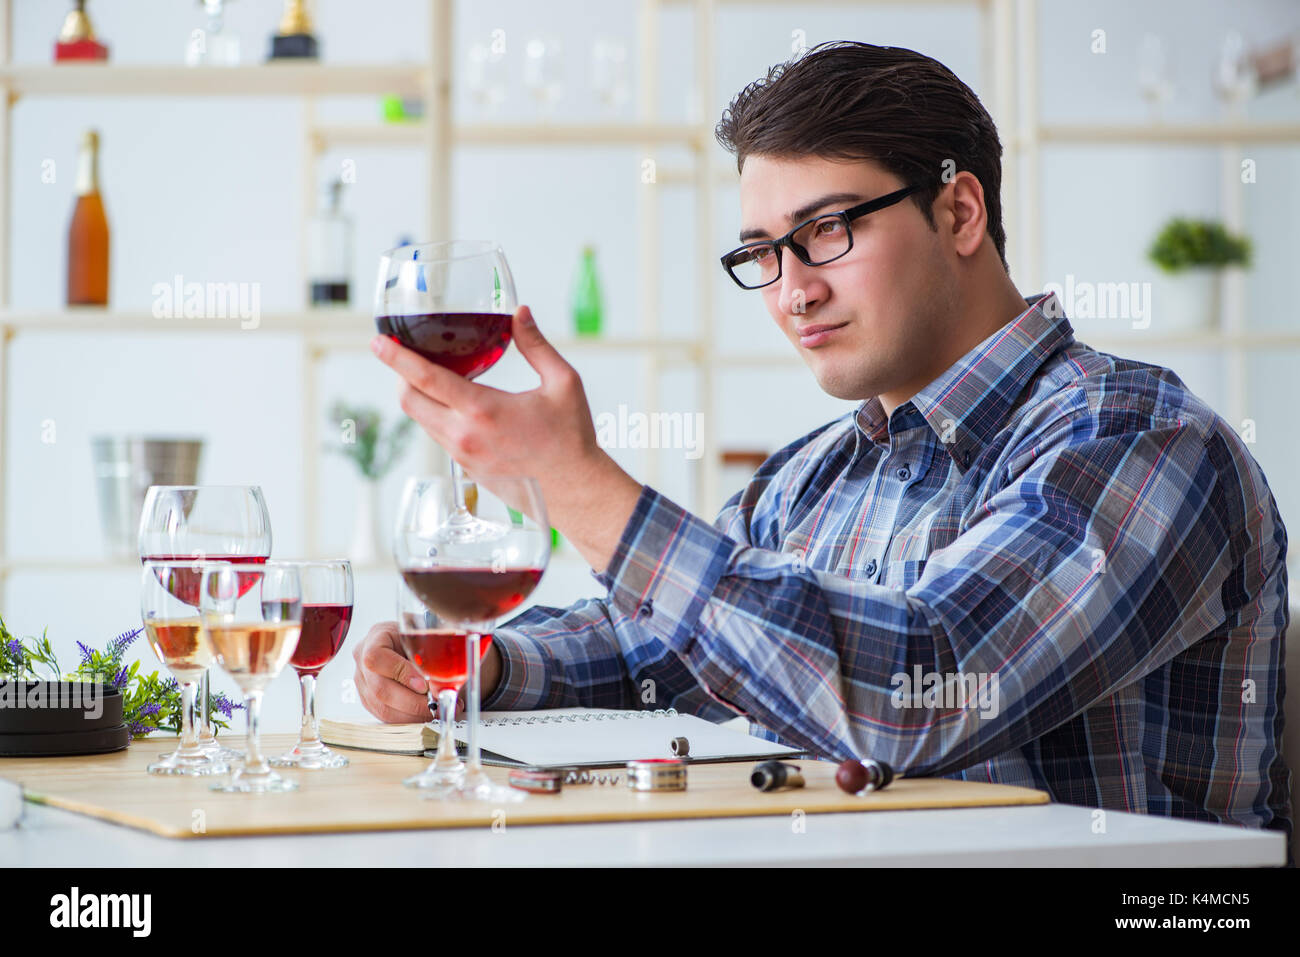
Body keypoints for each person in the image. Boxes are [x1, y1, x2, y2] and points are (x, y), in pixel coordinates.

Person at [355, 41, 1291, 844]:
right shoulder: (809, 475)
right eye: (762, 251)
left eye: (828, 229)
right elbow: (663, 652)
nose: (791, 290)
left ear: (959, 212)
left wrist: (584, 491)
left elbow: (922, 688)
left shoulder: (1137, 435)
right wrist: (484, 663)